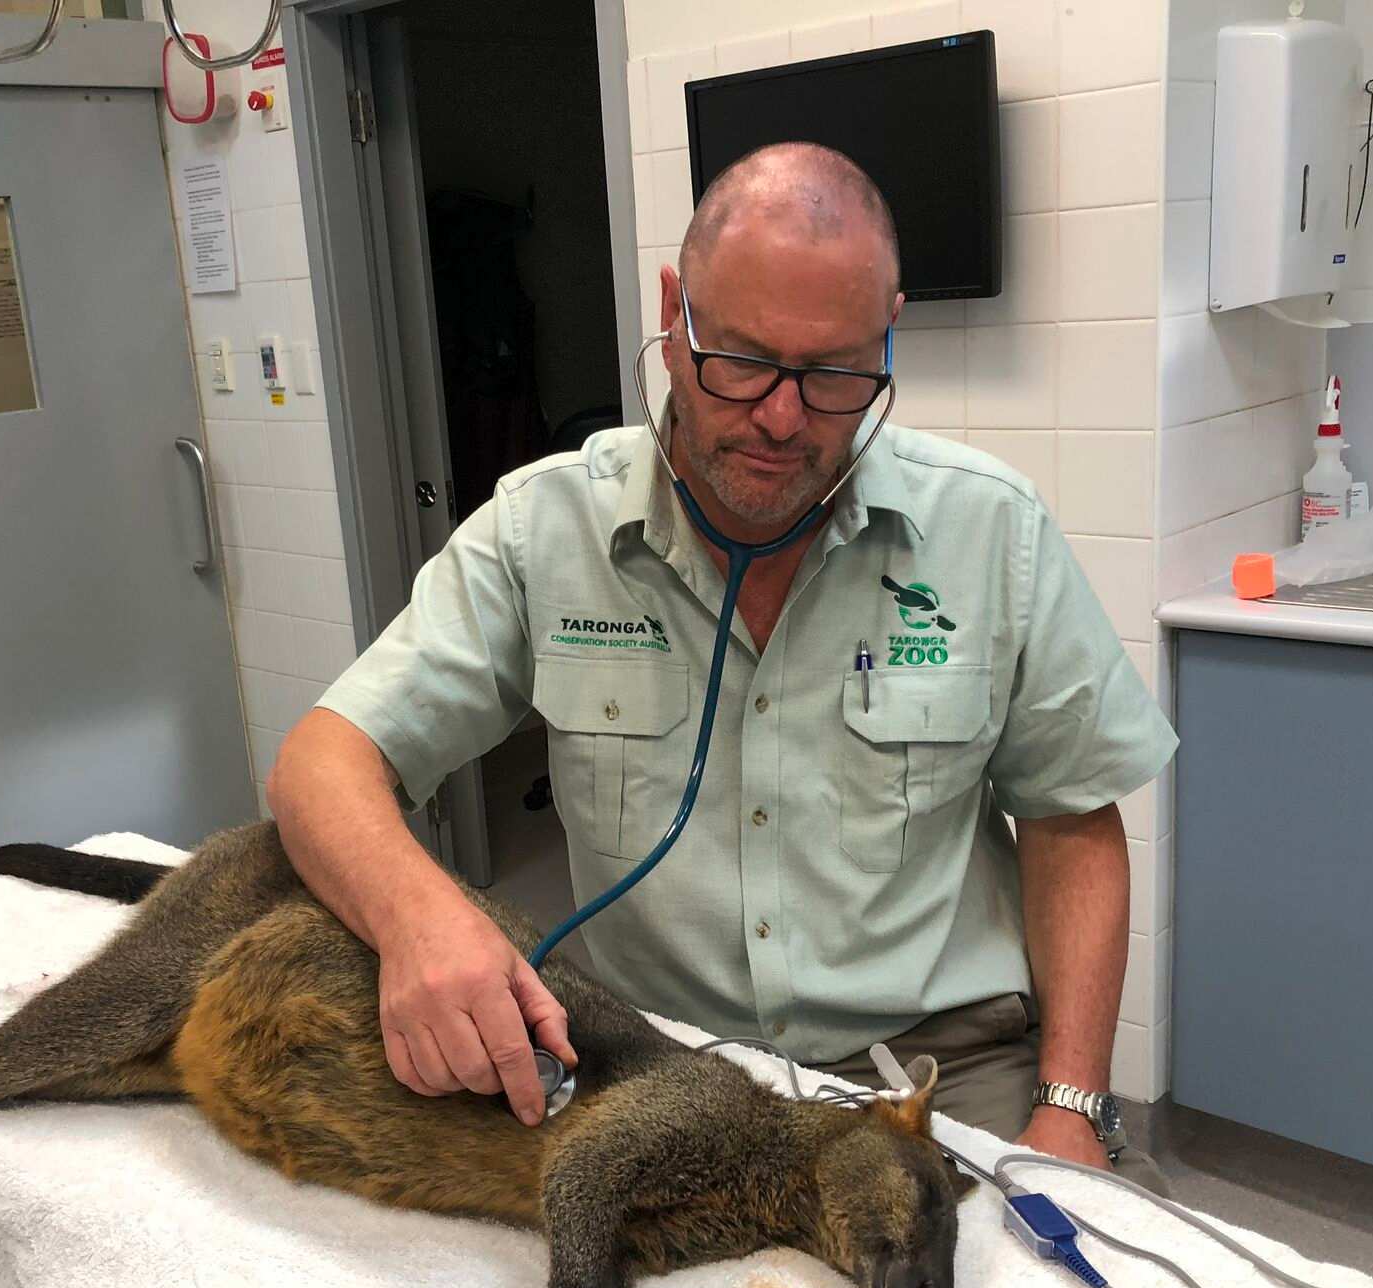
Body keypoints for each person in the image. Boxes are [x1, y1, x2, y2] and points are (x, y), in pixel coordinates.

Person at [269, 142, 1176, 1183]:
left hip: (938, 1065)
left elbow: (1071, 822)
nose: (781, 419)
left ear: (887, 338)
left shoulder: (991, 530)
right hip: (656, 1058)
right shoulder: (540, 530)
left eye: (833, 373)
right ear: (673, 317)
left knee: (1063, 1275)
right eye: (740, 360)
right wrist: (420, 920)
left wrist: (1071, 1106)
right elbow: (320, 764)